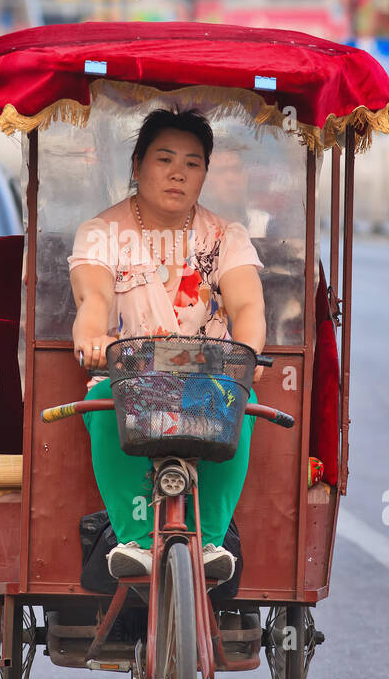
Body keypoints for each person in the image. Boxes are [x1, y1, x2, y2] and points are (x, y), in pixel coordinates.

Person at [68, 107, 266, 581]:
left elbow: (248, 308)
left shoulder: (225, 237)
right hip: (131, 379)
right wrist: (92, 340)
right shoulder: (102, 234)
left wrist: (249, 355)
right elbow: (92, 297)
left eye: (193, 163)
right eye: (164, 158)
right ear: (136, 166)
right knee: (99, 400)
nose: (178, 172)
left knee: (241, 401)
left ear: (204, 175)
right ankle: (135, 540)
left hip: (210, 379)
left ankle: (211, 543)